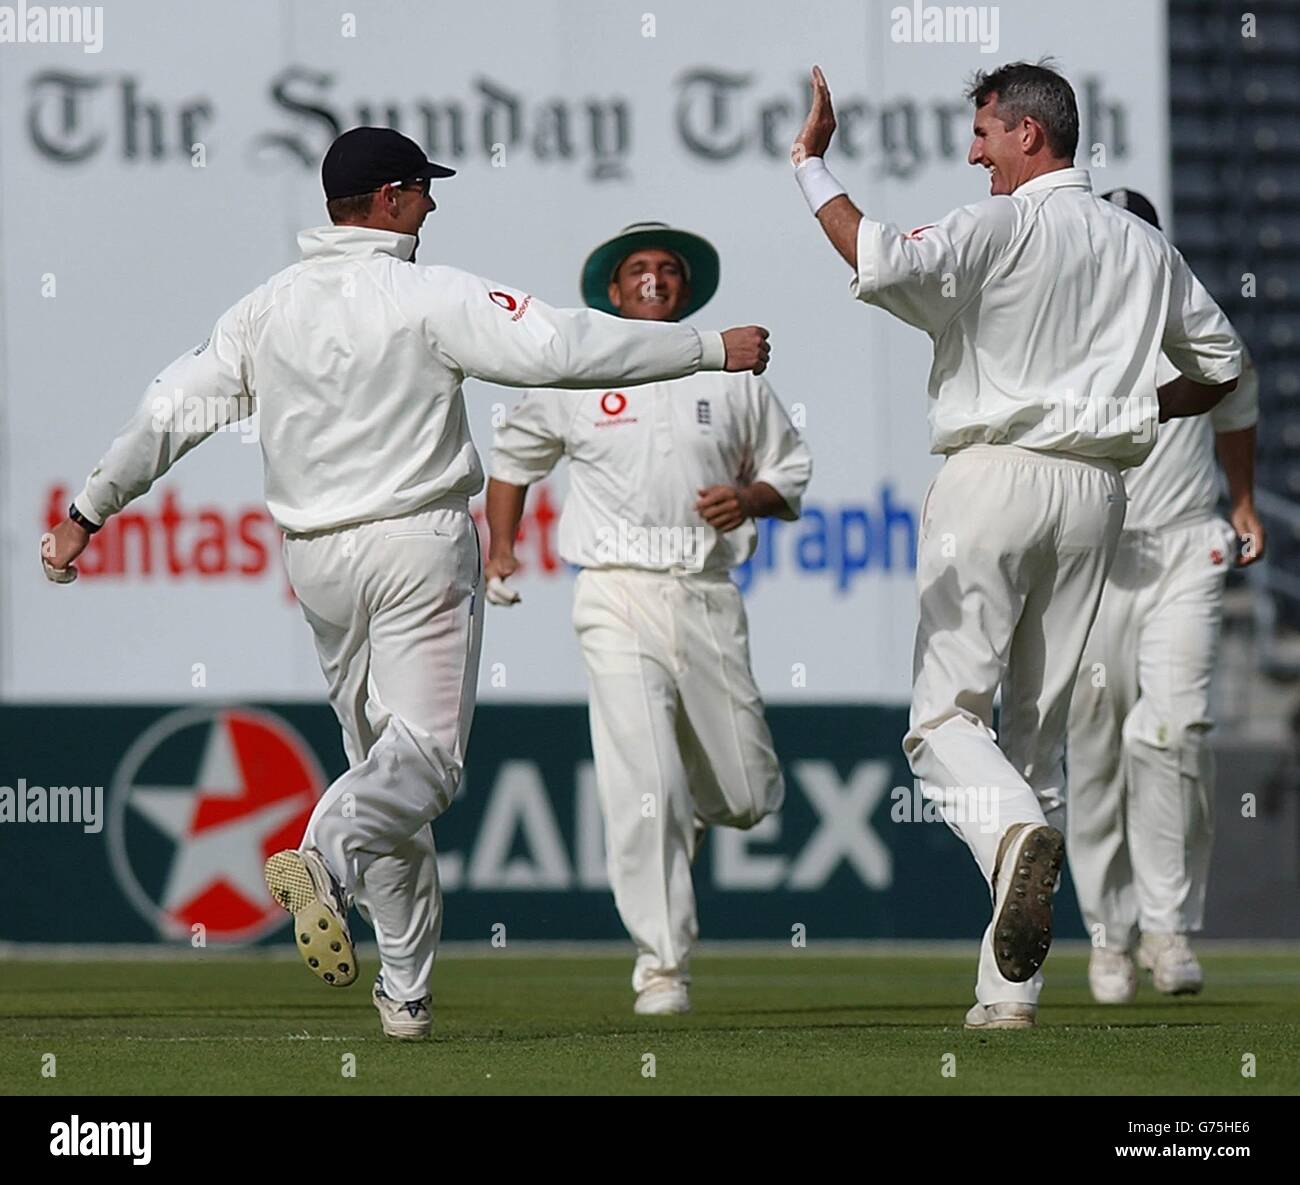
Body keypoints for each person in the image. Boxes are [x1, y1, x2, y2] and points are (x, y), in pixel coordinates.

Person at [39, 127, 773, 1040]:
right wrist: (706, 348)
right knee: (421, 763)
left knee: (380, 766)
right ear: (386, 199)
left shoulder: (264, 309)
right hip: (417, 543)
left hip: (317, 561)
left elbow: (167, 410)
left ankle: (405, 992)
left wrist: (87, 512)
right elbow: (559, 345)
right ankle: (326, 855)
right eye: (423, 189)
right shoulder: (426, 292)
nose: (433, 203)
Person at [789, 61, 1243, 1028]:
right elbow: (1222, 367)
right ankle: (1009, 996)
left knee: (943, 719)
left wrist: (809, 166)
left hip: (993, 474)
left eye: (985, 134)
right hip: (1100, 492)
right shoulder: (1141, 244)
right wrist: (1128, 406)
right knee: (1034, 736)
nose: (973, 152)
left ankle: (1019, 840)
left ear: (1029, 135)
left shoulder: (1002, 221)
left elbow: (875, 257)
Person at [484, 222, 811, 1015]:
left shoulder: (734, 377)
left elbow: (789, 468)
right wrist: (500, 550)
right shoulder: (580, 370)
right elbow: (513, 458)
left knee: (747, 794)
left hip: (706, 591)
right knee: (646, 784)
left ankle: (693, 803)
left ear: (687, 289)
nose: (655, 280)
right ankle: (661, 966)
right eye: (640, 270)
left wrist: (751, 497)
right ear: (615, 288)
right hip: (615, 590)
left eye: (668, 269)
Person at [1068, 189, 1264, 1004]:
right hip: (1090, 564)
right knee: (1097, 753)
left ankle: (1169, 927)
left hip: (1185, 548)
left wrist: (1243, 500)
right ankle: (1109, 938)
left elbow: (1238, 395)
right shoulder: (1062, 336)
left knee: (1174, 727)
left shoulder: (1194, 321)